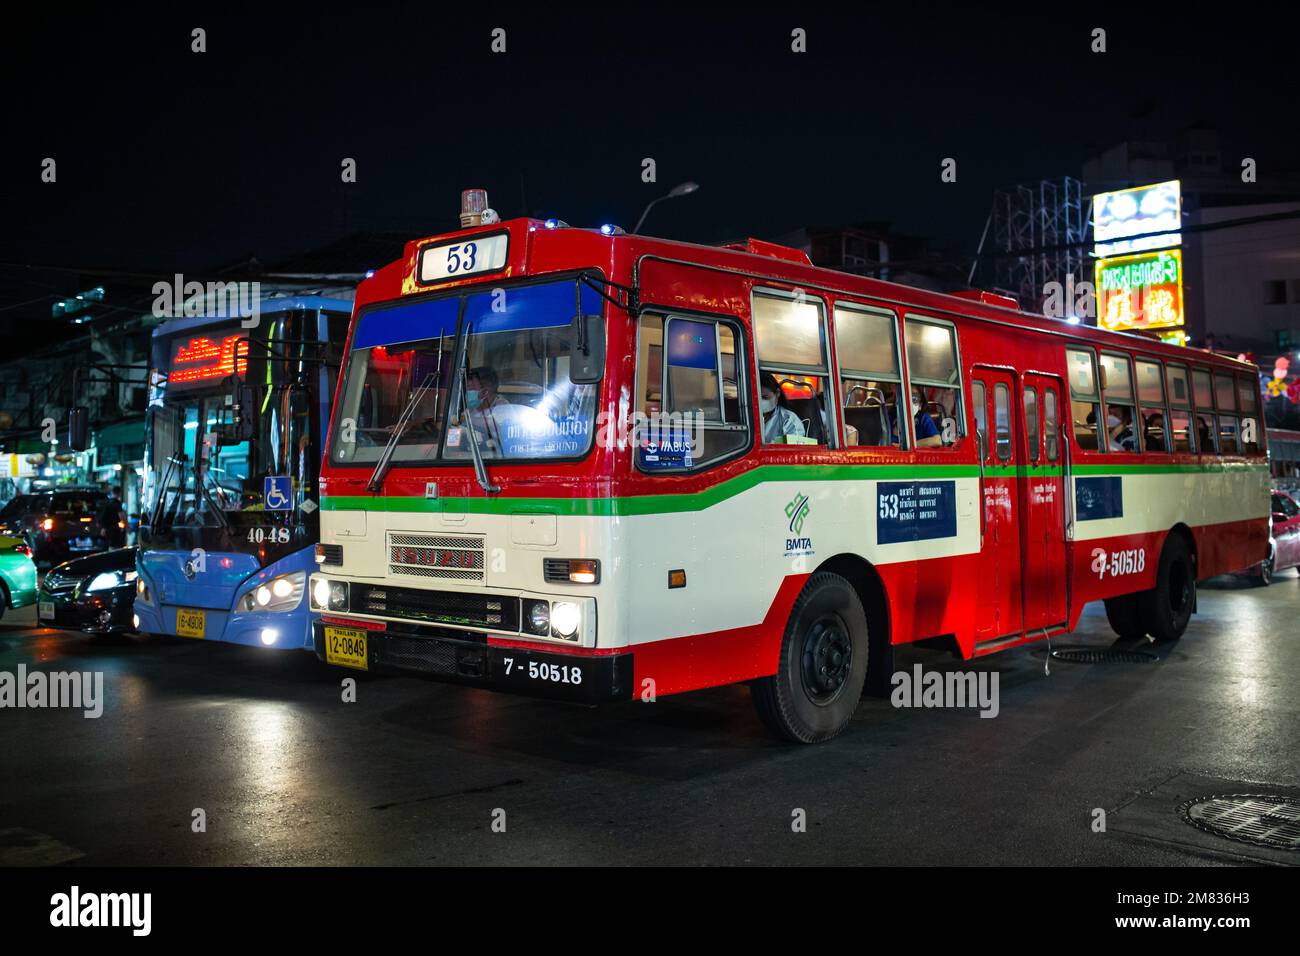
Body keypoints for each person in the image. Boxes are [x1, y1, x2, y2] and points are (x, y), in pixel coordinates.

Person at [464, 366, 512, 451]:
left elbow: (495, 426)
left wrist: (466, 421)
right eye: (468, 387)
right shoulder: (468, 406)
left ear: (487, 388)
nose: (469, 392)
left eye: (472, 387)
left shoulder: (502, 405)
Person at [759, 372, 804, 444]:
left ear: (777, 393)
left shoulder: (789, 419)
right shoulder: (746, 416)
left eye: (765, 397)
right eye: (757, 398)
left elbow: (794, 450)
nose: (760, 402)